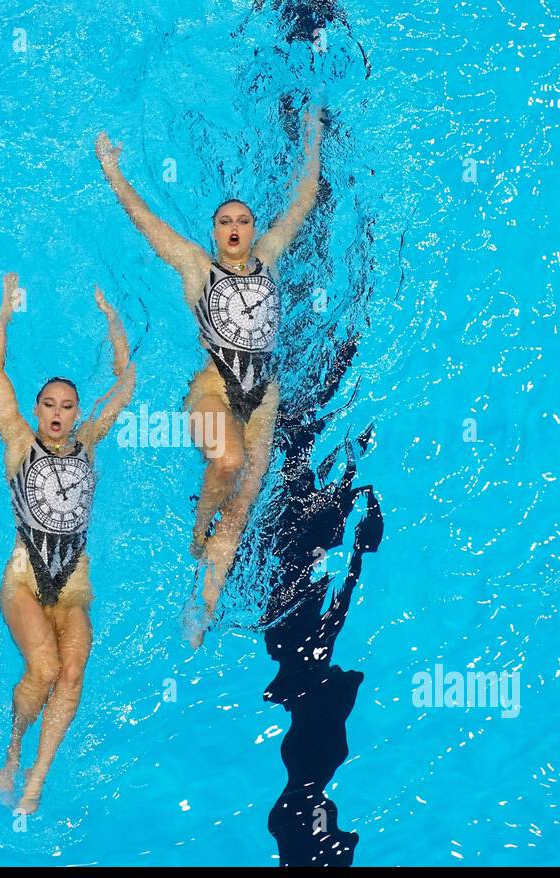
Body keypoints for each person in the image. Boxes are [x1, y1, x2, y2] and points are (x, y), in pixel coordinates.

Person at [94, 106, 323, 645]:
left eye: (243, 220)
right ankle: (198, 534)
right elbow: (148, 223)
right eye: (226, 221)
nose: (236, 228)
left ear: (253, 229)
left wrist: (312, 132)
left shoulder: (269, 256)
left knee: (241, 509)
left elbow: (303, 200)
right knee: (229, 460)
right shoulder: (198, 266)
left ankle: (203, 606)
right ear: (215, 232)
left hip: (264, 398)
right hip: (214, 389)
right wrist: (112, 171)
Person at [0, 272, 135, 813]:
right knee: (44, 668)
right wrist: (4, 315)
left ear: (77, 413)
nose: (57, 413)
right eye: (48, 403)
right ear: (36, 409)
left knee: (73, 671)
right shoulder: (17, 441)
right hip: (24, 577)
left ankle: (38, 776)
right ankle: (13, 750)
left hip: (73, 582)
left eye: (68, 405)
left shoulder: (89, 442)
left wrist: (113, 320)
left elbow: (126, 383)